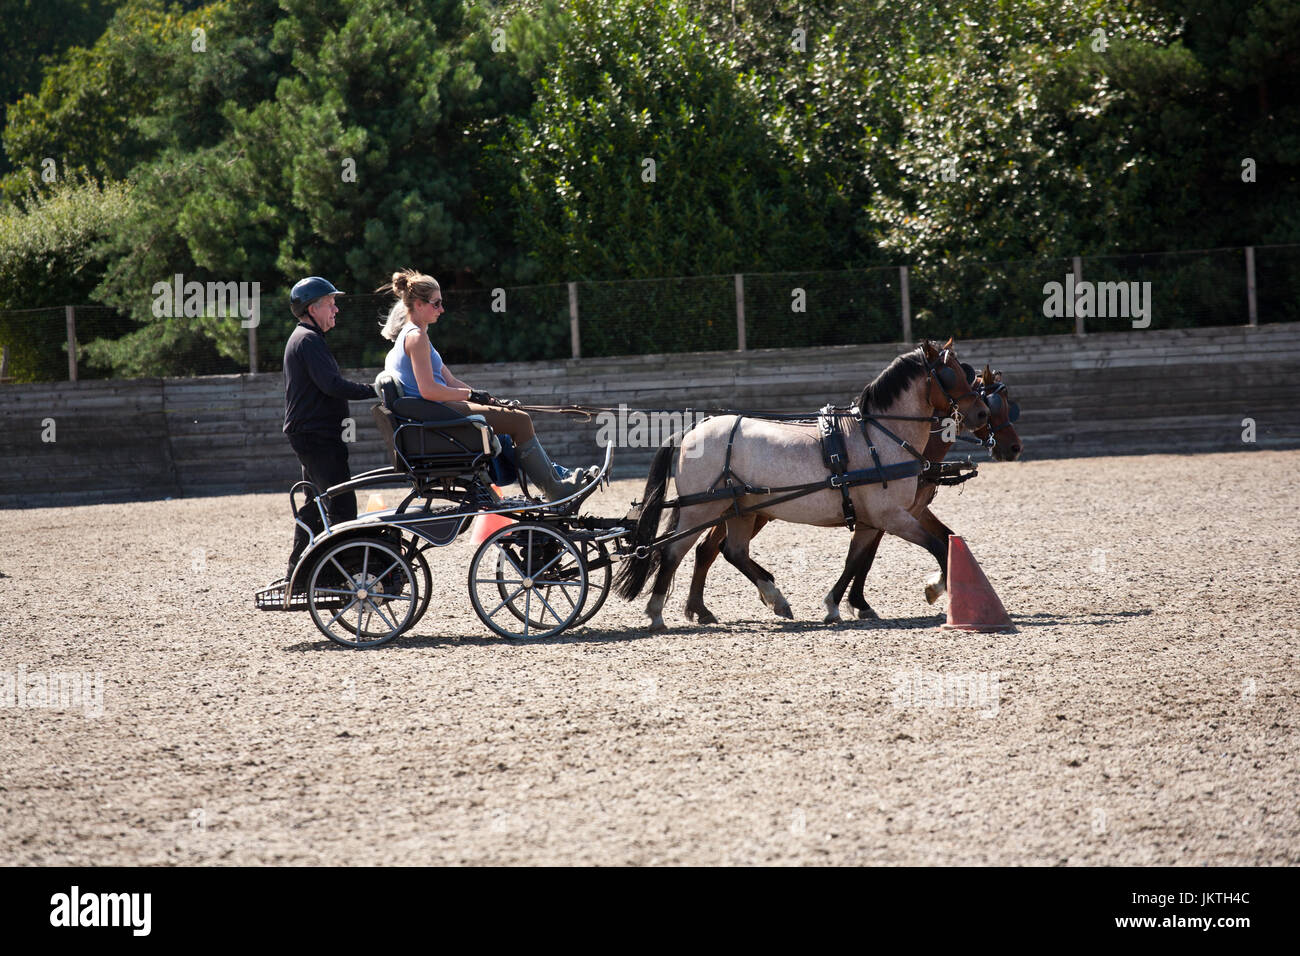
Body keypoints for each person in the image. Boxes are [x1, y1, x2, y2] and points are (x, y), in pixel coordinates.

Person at [377, 268, 595, 501]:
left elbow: (449, 381)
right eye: (436, 303)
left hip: (440, 412)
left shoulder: (416, 335)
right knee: (521, 420)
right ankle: (555, 489)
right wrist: (470, 395)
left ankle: (556, 477)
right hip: (439, 415)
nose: (442, 309)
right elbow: (429, 391)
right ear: (418, 304)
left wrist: (480, 396)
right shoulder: (416, 337)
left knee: (512, 415)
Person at [282, 276, 376, 581]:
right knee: (342, 503)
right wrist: (377, 390)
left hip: (312, 433)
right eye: (331, 303)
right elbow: (332, 385)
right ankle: (335, 576)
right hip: (316, 435)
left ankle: (298, 571)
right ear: (312, 308)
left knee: (315, 504)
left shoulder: (308, 337)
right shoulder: (307, 340)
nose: (336, 309)